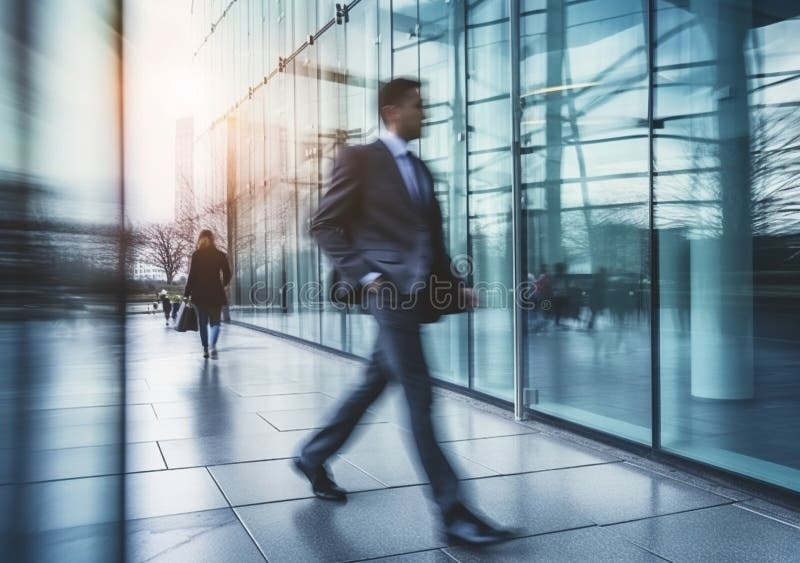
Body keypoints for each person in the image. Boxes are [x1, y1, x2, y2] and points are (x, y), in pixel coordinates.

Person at [294, 78, 511, 546]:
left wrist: (455, 288)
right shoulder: (360, 159)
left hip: (414, 294)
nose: (426, 113)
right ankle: (453, 511)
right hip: (385, 293)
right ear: (392, 111)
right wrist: (366, 276)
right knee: (419, 390)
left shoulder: (420, 169)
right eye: (418, 106)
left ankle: (312, 456)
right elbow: (324, 223)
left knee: (375, 380)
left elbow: (429, 241)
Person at [183, 229, 231, 359]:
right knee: (215, 322)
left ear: (200, 239)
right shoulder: (220, 255)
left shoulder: (197, 255)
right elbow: (228, 274)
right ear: (212, 239)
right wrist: (224, 285)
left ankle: (205, 349)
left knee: (202, 323)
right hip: (216, 293)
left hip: (200, 294)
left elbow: (191, 276)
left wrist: (186, 294)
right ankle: (213, 345)